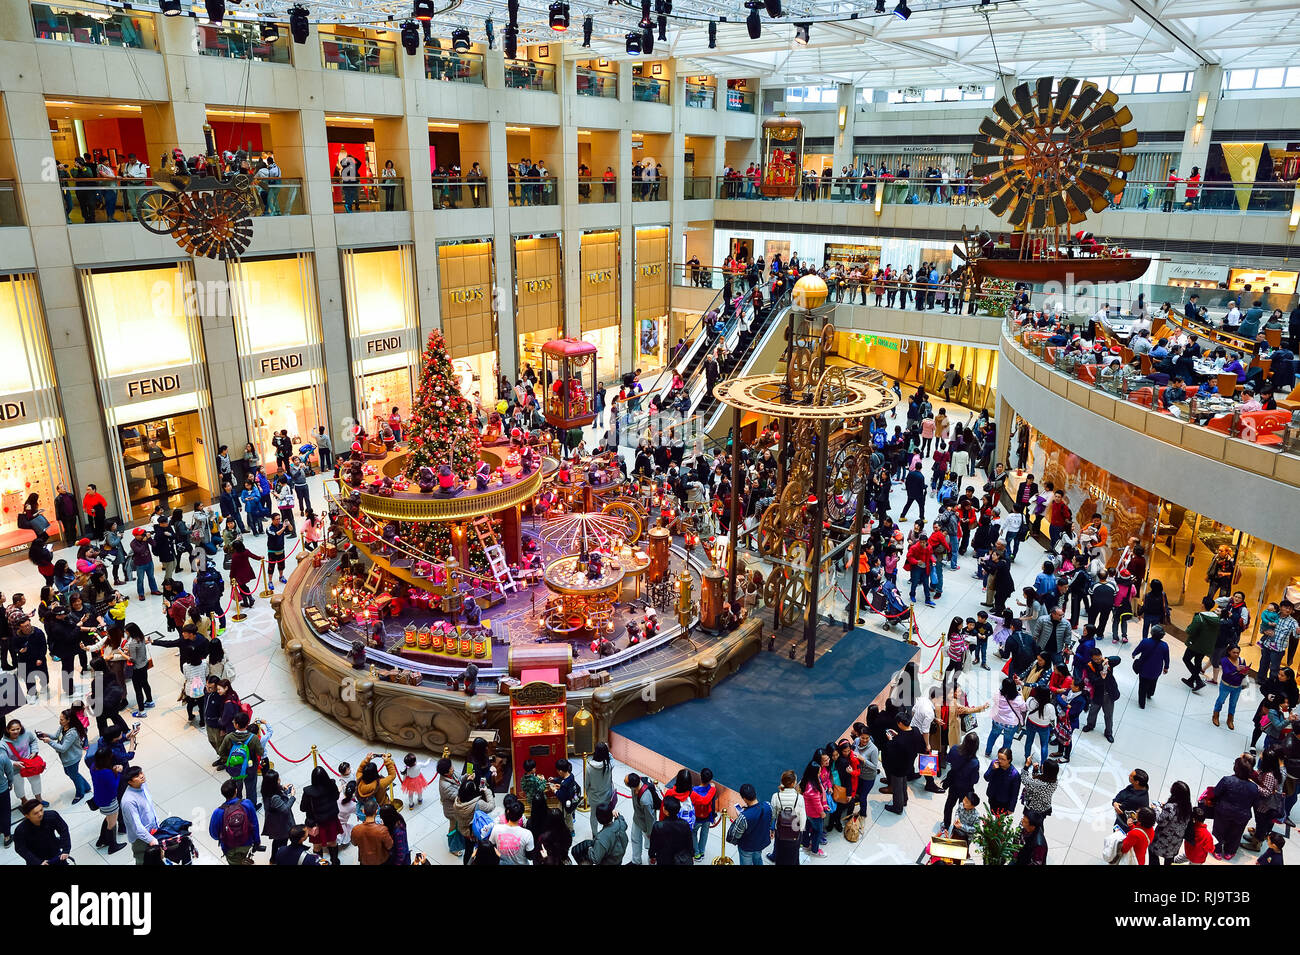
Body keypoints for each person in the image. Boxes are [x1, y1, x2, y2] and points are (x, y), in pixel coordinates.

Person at [1211, 756, 1259, 860]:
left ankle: (1217, 850)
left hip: (1223, 812)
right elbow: (1255, 803)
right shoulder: (1254, 788)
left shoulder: (1227, 780)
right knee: (1236, 834)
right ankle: (1230, 852)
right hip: (1242, 815)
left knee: (1218, 831)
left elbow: (1216, 793)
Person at [120, 765, 159, 865]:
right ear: (130, 782)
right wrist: (151, 840)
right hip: (142, 839)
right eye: (137, 776)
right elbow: (137, 827)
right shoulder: (128, 801)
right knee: (143, 861)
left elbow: (149, 807)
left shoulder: (142, 785)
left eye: (141, 772)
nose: (141, 776)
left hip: (153, 832)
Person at [12, 798, 71, 865]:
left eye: (41, 810)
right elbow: (20, 848)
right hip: (36, 857)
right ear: (27, 816)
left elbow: (63, 829)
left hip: (54, 852)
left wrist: (66, 849)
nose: (40, 814)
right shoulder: (20, 830)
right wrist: (37, 862)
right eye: (36, 813)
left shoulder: (52, 816)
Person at [1131, 624, 1170, 709]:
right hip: (1157, 669)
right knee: (1153, 681)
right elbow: (1166, 658)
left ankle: (1142, 703)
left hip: (1144, 668)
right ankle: (1150, 693)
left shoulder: (1145, 641)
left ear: (1152, 633)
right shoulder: (1164, 645)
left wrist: (1134, 654)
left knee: (1142, 686)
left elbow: (1138, 649)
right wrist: (1166, 667)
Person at [1212, 643, 1249, 730]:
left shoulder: (1242, 660)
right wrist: (1236, 669)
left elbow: (1244, 674)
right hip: (1226, 685)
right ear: (1229, 652)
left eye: (1238, 653)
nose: (1236, 654)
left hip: (1237, 687)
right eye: (1234, 652)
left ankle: (1230, 719)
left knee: (1233, 703)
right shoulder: (1224, 660)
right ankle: (1215, 715)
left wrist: (1245, 672)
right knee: (1221, 700)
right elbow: (1226, 673)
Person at [649, 794, 694, 865]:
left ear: (666, 812)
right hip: (681, 858)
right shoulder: (685, 824)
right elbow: (689, 841)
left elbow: (653, 844)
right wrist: (692, 854)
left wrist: (652, 855)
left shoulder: (658, 826)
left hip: (664, 858)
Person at [624, 772, 658, 864]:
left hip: (647, 825)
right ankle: (636, 861)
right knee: (635, 839)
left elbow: (650, 818)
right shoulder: (635, 784)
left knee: (650, 847)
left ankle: (652, 862)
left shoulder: (645, 799)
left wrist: (650, 832)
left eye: (626, 782)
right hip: (637, 818)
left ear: (632, 787)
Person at [349, 797, 393, 866]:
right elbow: (389, 846)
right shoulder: (382, 830)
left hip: (365, 860)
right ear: (376, 811)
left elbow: (354, 843)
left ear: (363, 811)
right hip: (381, 860)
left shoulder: (356, 829)